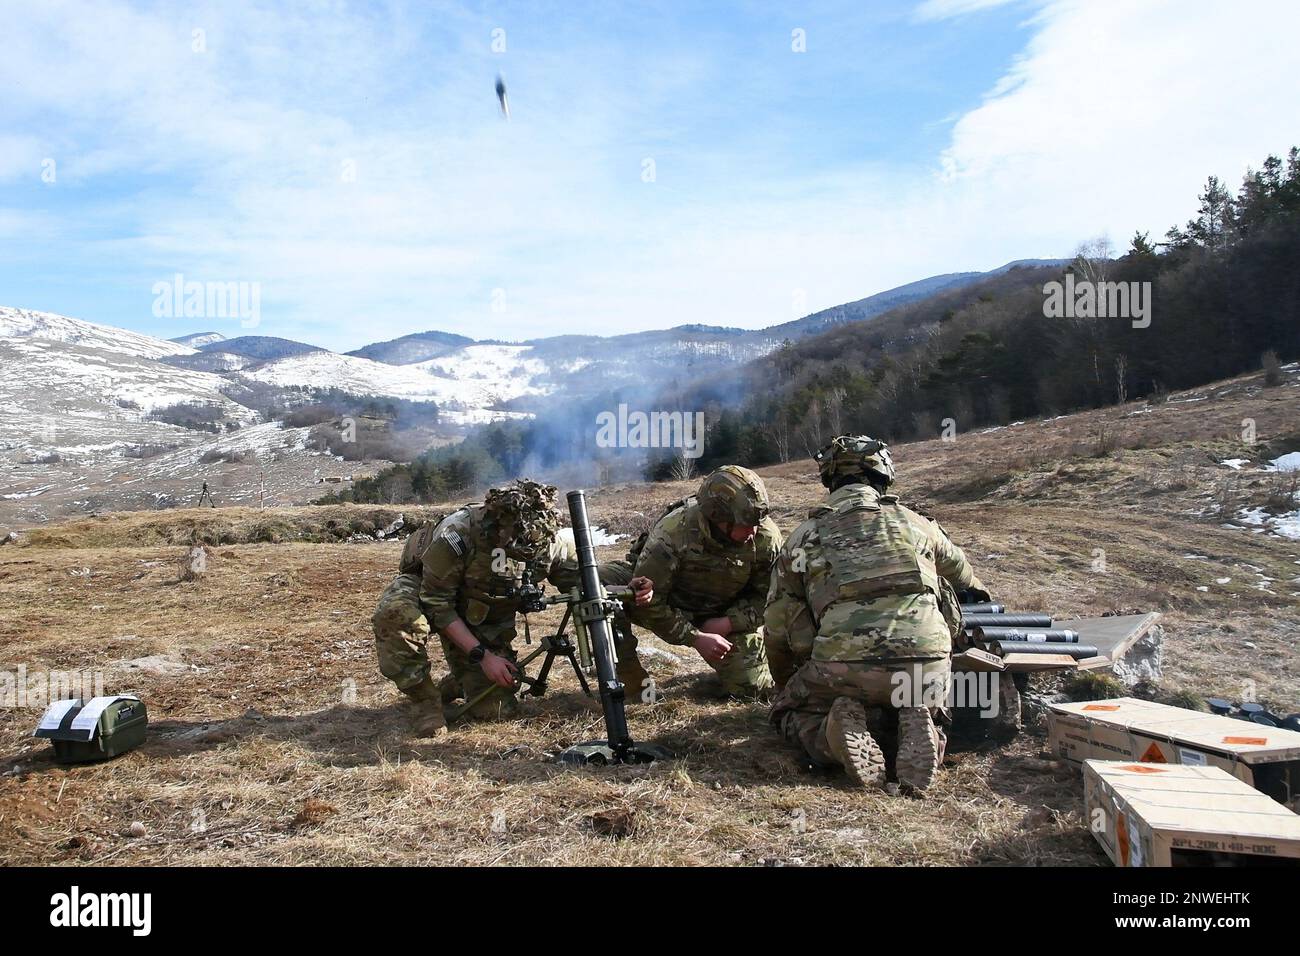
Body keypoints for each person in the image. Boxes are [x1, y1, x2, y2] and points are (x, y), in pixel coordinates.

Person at [765, 436, 990, 794]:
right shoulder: (918, 523)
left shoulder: (803, 537)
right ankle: (927, 725)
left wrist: (787, 687)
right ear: (884, 474)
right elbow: (966, 580)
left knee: (788, 716)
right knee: (924, 696)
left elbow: (777, 629)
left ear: (830, 479)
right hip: (924, 665)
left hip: (842, 668)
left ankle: (832, 735)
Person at [371, 480, 652, 736]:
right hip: (430, 593)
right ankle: (424, 701)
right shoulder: (458, 534)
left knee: (496, 710)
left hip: (483, 614)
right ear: (497, 528)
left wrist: (621, 591)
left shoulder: (548, 543)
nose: (525, 553)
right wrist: (483, 656)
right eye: (517, 546)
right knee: (396, 616)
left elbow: (583, 588)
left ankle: (460, 681)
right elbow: (438, 604)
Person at [611, 465, 782, 699]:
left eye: (756, 522)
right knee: (598, 584)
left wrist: (729, 623)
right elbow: (650, 603)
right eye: (745, 523)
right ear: (718, 517)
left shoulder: (766, 539)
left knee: (751, 689)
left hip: (721, 613)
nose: (753, 531)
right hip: (669, 603)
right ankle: (628, 680)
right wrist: (694, 637)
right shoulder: (673, 533)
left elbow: (772, 596)